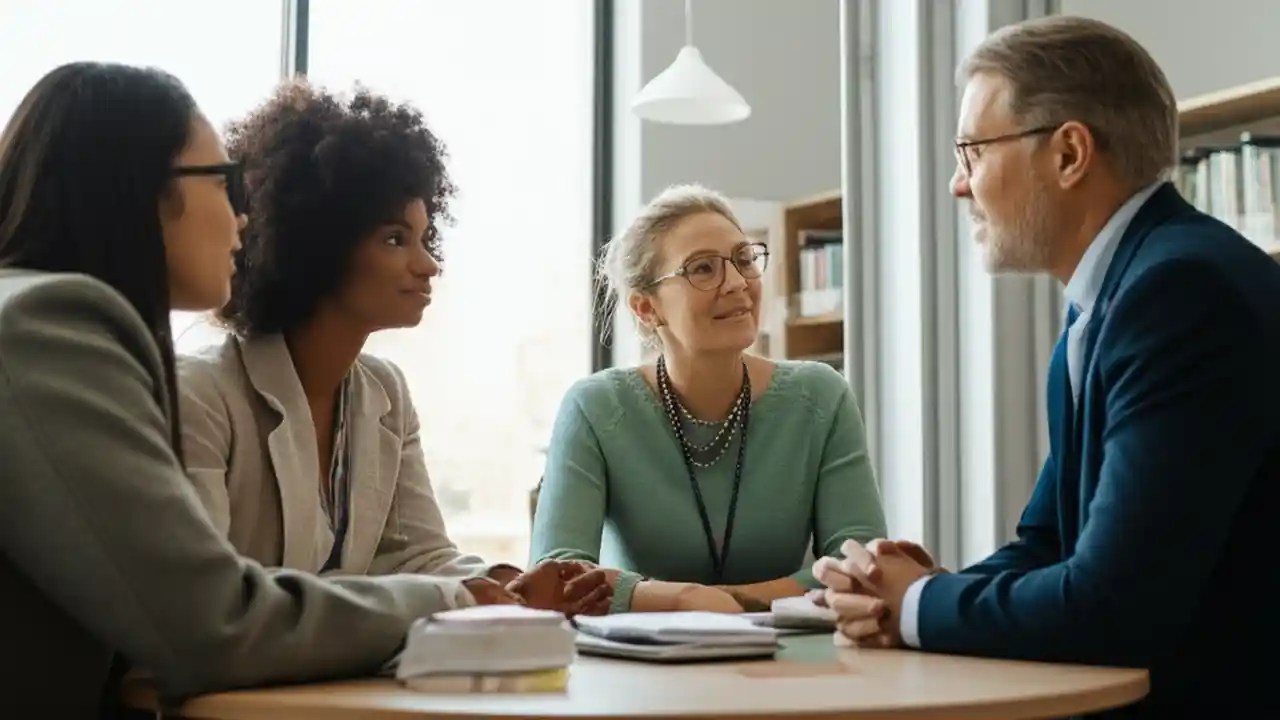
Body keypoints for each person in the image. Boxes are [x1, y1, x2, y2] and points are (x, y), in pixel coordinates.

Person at [0, 62, 558, 719]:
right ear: (148, 190)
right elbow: (208, 621)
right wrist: (450, 601)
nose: (242, 216)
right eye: (223, 182)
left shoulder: (45, 321)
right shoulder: (50, 326)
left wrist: (484, 585)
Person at [814, 16, 1280, 717]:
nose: (956, 185)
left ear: (1069, 154)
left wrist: (917, 603)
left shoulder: (1179, 295)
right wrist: (903, 595)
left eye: (971, 151)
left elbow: (1113, 606)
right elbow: (1047, 544)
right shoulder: (1114, 299)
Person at [176, 80, 609, 616]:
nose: (429, 265)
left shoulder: (385, 393)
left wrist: (506, 583)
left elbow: (421, 559)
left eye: (425, 239)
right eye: (394, 240)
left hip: (335, 687)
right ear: (318, 247)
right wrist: (460, 595)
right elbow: (208, 604)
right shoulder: (202, 394)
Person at [531, 183, 887, 614]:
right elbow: (557, 577)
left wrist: (715, 601)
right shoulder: (594, 408)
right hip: (641, 670)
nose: (737, 283)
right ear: (647, 308)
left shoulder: (821, 396)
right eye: (702, 269)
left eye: (743, 260)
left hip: (785, 665)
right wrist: (688, 598)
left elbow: (861, 565)